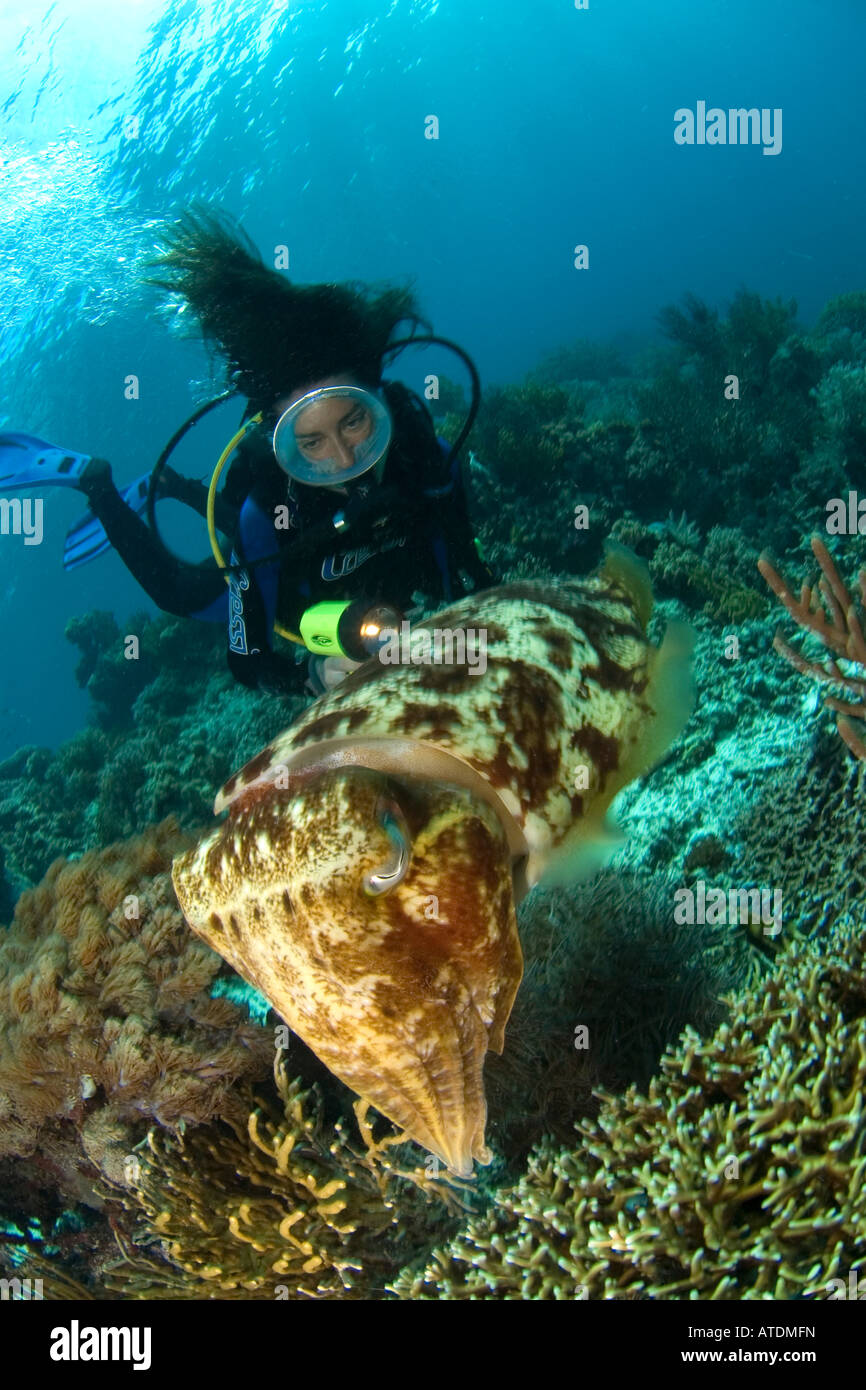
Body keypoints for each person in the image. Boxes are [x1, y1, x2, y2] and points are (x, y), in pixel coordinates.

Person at [0, 210, 493, 694]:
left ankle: (176, 486)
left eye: (354, 421)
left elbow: (469, 574)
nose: (345, 460)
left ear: (379, 401)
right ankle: (97, 484)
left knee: (252, 530)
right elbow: (247, 658)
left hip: (311, 550)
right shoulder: (265, 514)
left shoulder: (429, 459)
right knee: (182, 591)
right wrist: (309, 676)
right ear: (284, 442)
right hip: (283, 554)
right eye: (311, 441)